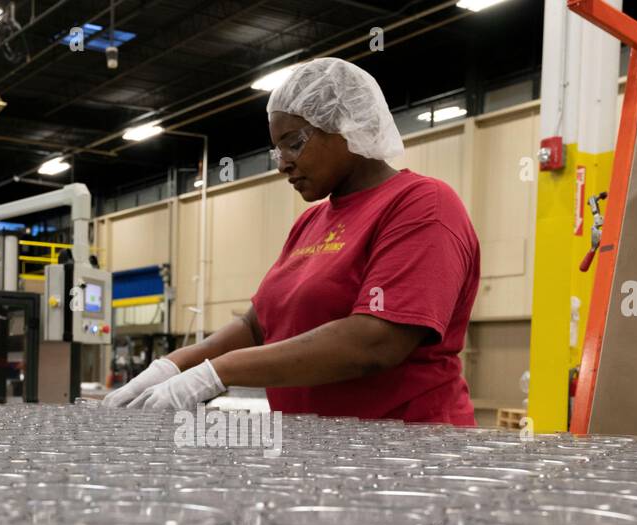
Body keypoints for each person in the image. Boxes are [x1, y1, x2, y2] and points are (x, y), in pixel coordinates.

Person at [103, 57, 479, 425]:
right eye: (276, 150)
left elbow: (375, 342)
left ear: (345, 124)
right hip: (320, 450)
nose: (282, 163)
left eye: (294, 143)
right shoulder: (312, 221)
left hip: (407, 453)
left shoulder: (422, 205)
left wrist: (217, 372)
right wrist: (172, 365)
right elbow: (257, 325)